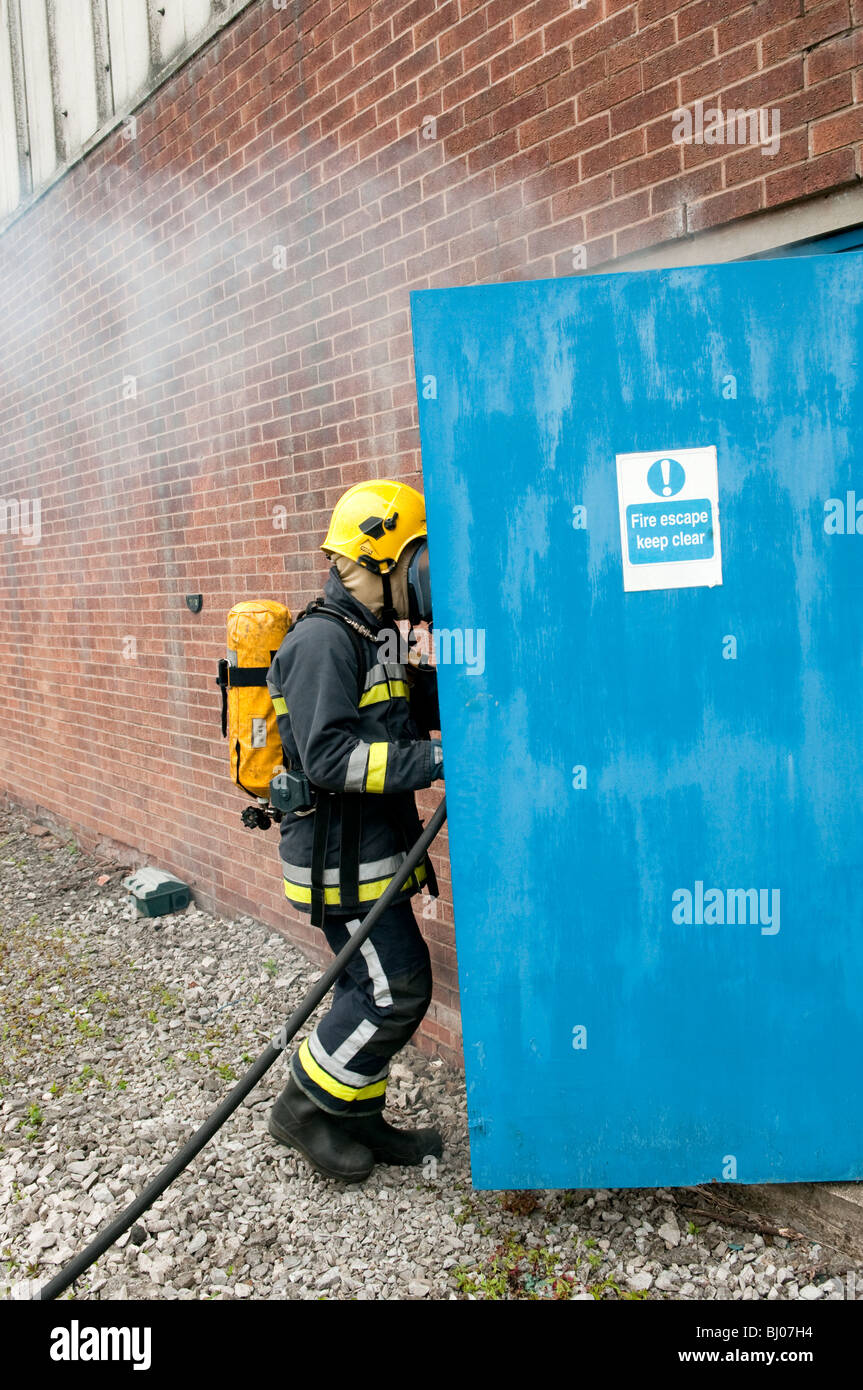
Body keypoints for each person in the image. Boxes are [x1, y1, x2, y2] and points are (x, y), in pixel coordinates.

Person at [265, 479, 444, 1182]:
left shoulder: (372, 638)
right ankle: (304, 1108)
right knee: (395, 990)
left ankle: (356, 1116)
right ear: (376, 558)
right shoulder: (321, 641)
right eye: (415, 561)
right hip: (338, 865)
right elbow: (331, 758)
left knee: (364, 990)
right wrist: (436, 760)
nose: (421, 578)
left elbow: (405, 711)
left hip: (368, 855)